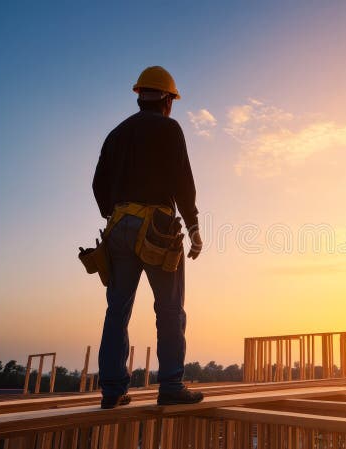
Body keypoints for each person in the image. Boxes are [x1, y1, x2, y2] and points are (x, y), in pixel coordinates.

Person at [92, 66, 204, 409]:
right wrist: (194, 227)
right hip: (157, 227)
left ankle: (112, 391)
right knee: (170, 309)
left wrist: (117, 214)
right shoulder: (169, 129)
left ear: (140, 96)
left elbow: (98, 184)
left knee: (117, 310)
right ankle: (170, 385)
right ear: (167, 100)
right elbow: (183, 182)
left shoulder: (116, 134)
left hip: (119, 226)